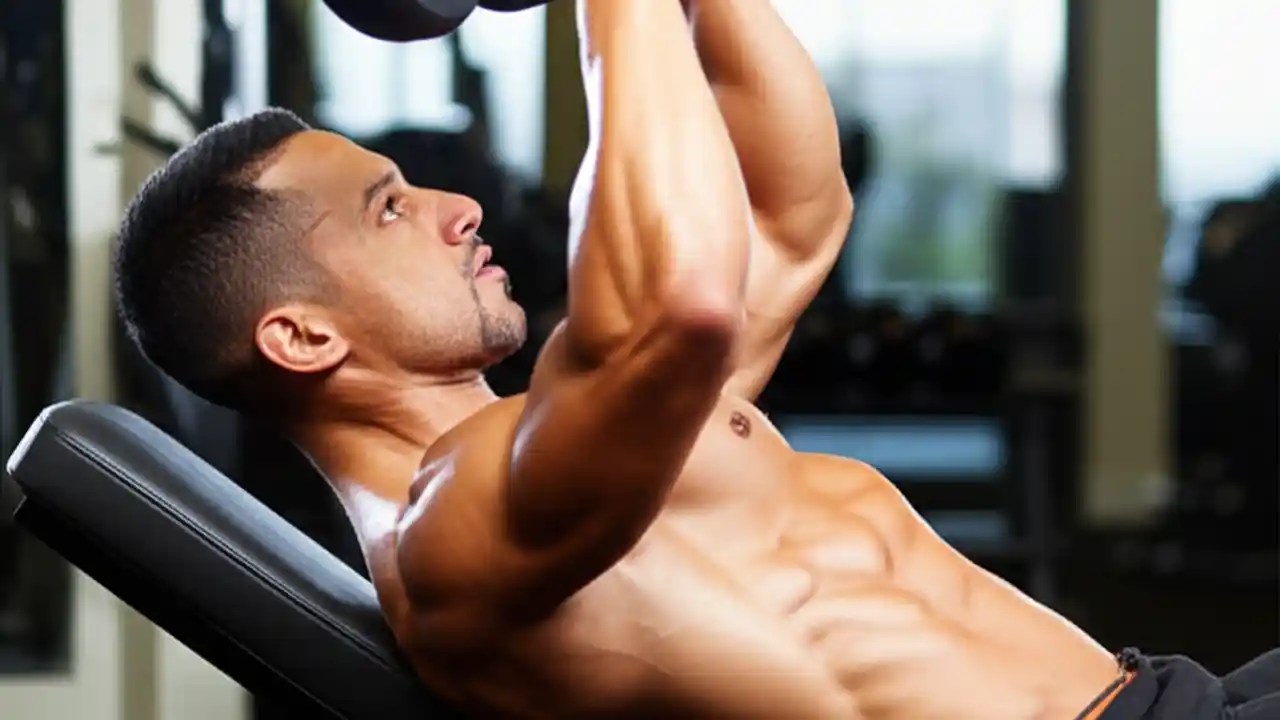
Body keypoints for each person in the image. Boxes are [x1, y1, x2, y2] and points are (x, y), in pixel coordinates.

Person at [112, 1, 1275, 718]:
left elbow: (786, 208)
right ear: (302, 336)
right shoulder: (450, 542)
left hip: (1178, 693)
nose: (457, 206)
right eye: (388, 209)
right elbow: (683, 304)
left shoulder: (577, 437)